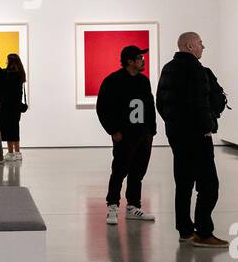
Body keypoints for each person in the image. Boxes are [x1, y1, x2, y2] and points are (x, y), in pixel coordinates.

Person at [156, 32, 229, 249]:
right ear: (189, 46)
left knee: (184, 183)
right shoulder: (196, 70)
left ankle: (185, 231)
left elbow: (160, 102)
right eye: (199, 44)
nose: (202, 47)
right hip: (197, 136)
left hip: (176, 135)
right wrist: (208, 127)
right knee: (209, 185)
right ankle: (204, 233)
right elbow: (200, 105)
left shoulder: (168, 68)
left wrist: (173, 125)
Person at [96, 44, 157, 225]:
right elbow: (103, 108)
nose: (143, 61)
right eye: (140, 58)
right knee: (119, 170)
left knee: (138, 171)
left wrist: (151, 131)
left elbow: (149, 106)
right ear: (130, 61)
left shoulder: (143, 81)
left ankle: (133, 206)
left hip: (143, 135)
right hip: (125, 135)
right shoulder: (113, 81)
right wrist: (113, 130)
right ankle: (112, 206)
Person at [0, 53, 26, 162]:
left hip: (6, 105)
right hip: (16, 105)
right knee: (15, 127)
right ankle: (18, 152)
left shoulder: (6, 73)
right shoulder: (20, 74)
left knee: (8, 128)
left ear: (9, 61)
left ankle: (10, 152)